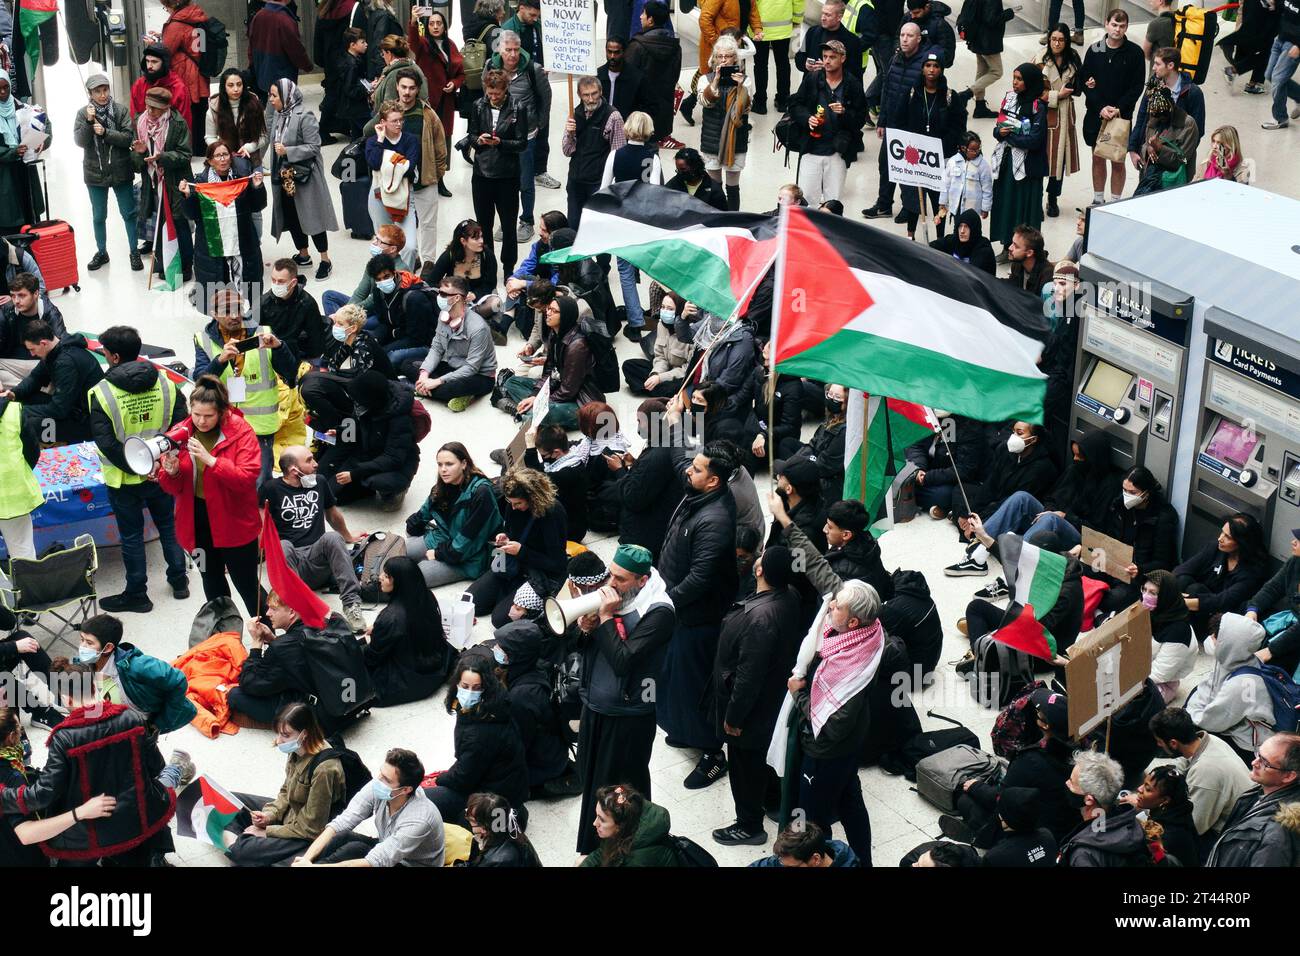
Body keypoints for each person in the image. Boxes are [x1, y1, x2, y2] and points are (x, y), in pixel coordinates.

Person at [0, 669, 187, 865]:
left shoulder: (63, 739)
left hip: (88, 831)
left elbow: (43, 795)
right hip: (135, 815)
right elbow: (156, 766)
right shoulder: (132, 718)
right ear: (93, 686)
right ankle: (177, 767)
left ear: (67, 699)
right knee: (162, 785)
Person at [567, 545, 676, 852]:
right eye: (611, 575)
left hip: (629, 715)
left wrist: (602, 619)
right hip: (596, 704)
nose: (611, 584)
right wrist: (586, 629)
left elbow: (624, 660)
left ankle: (632, 848)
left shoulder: (659, 612)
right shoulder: (618, 596)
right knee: (593, 782)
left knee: (621, 791)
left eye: (621, 579)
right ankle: (598, 843)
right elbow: (582, 647)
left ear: (642, 580)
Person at [85, 326, 190, 611]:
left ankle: (137, 594)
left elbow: (106, 442)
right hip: (163, 473)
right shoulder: (167, 383)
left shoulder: (102, 392)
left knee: (132, 537)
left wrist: (137, 466)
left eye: (105, 353)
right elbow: (182, 425)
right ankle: (180, 581)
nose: (104, 357)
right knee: (169, 526)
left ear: (115, 356)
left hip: (123, 480)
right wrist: (158, 462)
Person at [780, 580, 882, 865]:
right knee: (850, 800)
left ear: (852, 621)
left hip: (825, 752)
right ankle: (863, 860)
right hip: (849, 747)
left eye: (837, 606)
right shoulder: (870, 633)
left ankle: (822, 861)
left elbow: (832, 724)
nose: (830, 606)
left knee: (812, 819)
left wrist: (799, 693)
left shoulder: (848, 665)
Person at [658, 444, 740, 788]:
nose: (689, 471)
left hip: (698, 617)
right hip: (681, 612)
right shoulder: (700, 495)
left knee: (696, 684)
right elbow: (679, 461)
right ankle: (685, 729)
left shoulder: (715, 519)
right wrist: (669, 426)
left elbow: (700, 578)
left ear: (714, 481)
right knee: (676, 678)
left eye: (698, 469)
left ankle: (711, 752)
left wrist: (664, 602)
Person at [710, 546, 802, 846]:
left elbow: (748, 677)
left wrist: (734, 717)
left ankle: (749, 825)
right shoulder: (790, 596)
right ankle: (773, 800)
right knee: (766, 757)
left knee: (744, 767)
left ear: (760, 570)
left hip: (751, 710)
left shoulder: (760, 619)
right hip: (774, 700)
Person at [156, 375, 264, 615]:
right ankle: (224, 639)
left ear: (222, 412)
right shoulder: (180, 433)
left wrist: (211, 461)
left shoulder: (241, 431)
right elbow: (173, 488)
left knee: (246, 584)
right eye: (196, 415)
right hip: (197, 520)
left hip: (233, 521)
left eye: (208, 416)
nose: (201, 421)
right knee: (211, 580)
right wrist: (171, 473)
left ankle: (270, 637)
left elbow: (246, 479)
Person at [193, 289, 298, 484]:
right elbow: (200, 381)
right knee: (224, 479)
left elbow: (291, 372)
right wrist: (221, 360)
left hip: (259, 426)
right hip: (222, 424)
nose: (234, 316)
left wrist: (279, 348)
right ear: (214, 314)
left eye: (237, 309)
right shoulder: (203, 339)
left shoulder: (263, 333)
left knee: (259, 482)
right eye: (226, 311)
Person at [950, 687, 1079, 842]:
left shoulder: (1031, 759)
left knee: (965, 800)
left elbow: (1001, 797)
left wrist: (975, 786)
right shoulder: (1082, 748)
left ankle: (980, 836)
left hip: (1038, 829)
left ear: (1045, 725)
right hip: (1067, 820)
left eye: (1037, 713)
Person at [224, 703, 345, 866]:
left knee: (240, 851)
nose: (279, 740)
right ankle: (242, 842)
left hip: (305, 834)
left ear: (304, 734)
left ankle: (239, 844)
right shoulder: (297, 749)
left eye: (286, 735)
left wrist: (266, 831)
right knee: (229, 800)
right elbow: (286, 791)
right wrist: (269, 814)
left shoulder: (325, 769)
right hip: (290, 814)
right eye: (279, 734)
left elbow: (311, 828)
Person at [261, 445, 367, 633]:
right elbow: (261, 526)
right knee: (283, 545)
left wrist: (348, 536)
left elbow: (333, 515)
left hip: (318, 559)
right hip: (291, 565)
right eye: (309, 460)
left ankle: (352, 606)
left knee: (333, 538)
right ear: (294, 470)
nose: (316, 464)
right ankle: (298, 608)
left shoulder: (319, 482)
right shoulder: (271, 489)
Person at [425, 654, 530, 827]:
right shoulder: (491, 706)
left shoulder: (482, 731)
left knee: (426, 801)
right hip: (497, 786)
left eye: (476, 688)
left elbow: (463, 778)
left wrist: (439, 779)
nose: (469, 693)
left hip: (493, 799)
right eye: (465, 686)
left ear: (486, 687)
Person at [294, 748, 445, 866]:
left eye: (386, 779)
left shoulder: (419, 819)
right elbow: (343, 821)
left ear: (406, 789)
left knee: (354, 851)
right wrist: (306, 860)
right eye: (381, 773)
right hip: (386, 845)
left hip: (410, 863)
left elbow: (376, 861)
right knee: (343, 837)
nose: (377, 780)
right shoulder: (380, 787)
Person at [363, 71, 449, 265]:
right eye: (403, 87)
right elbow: (370, 146)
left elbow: (440, 145)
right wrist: (380, 135)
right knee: (386, 235)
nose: (407, 92)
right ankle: (398, 267)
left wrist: (437, 172)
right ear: (397, 88)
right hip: (387, 188)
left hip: (424, 179)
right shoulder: (386, 112)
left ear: (418, 89)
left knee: (427, 224)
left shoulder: (427, 114)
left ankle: (427, 262)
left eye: (412, 88)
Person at [1149, 706, 1256, 853]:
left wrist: (1152, 806)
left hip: (1234, 836)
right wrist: (1162, 776)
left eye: (1159, 741)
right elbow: (1185, 761)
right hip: (1244, 811)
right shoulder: (1209, 740)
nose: (1158, 745)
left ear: (1173, 743)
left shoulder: (1205, 774)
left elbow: (1193, 827)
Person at [468, 468, 568, 625]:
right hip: (513, 564)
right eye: (510, 502)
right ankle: (504, 595)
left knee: (499, 619)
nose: (513, 507)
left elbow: (558, 563)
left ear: (533, 498)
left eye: (518, 503)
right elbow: (512, 531)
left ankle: (510, 599)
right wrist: (505, 537)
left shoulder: (552, 513)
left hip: (539, 573)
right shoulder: (512, 506)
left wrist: (522, 551)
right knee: (471, 603)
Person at [494, 610, 578, 795]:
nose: (496, 650)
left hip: (543, 764)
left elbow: (518, 744)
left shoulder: (523, 696)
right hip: (552, 751)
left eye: (502, 648)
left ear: (516, 654)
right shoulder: (536, 665)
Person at [400, 441, 502, 591]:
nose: (443, 470)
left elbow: (467, 543)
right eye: (440, 464)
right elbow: (420, 516)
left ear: (463, 463)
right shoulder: (441, 487)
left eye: (449, 464)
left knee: (413, 577)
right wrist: (414, 526)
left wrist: (438, 553)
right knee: (395, 552)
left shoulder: (481, 493)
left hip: (467, 557)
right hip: (443, 538)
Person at [949, 421, 1057, 562]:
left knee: (997, 515)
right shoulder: (1005, 451)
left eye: (1019, 433)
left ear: (1034, 439)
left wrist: (979, 518)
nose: (1013, 437)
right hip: (996, 500)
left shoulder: (1042, 467)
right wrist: (971, 515)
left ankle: (973, 532)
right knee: (961, 489)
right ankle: (966, 522)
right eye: (1013, 432)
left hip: (1016, 512)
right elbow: (990, 485)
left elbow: (1010, 504)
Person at [180, 142, 269, 314]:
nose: (223, 159)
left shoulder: (241, 178)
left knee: (247, 290)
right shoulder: (200, 183)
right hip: (212, 247)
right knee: (218, 295)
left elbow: (258, 206)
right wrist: (187, 196)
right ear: (209, 160)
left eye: (226, 154)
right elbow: (192, 215)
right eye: (218, 156)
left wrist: (258, 188)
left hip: (242, 244)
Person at [318, 370, 420, 509]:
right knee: (332, 492)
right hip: (368, 450)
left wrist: (355, 473)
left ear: (371, 401)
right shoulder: (363, 404)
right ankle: (363, 485)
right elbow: (354, 426)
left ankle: (395, 492)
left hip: (396, 462)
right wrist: (340, 431)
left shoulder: (400, 418)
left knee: (374, 481)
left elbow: (393, 458)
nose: (355, 403)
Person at [1084, 466, 1180, 613]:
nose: (1126, 496)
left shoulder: (1163, 517)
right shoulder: (1118, 505)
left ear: (1146, 493)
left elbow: (1163, 562)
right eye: (1124, 490)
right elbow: (1106, 534)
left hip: (1135, 576)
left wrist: (1140, 570)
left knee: (1115, 599)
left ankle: (1095, 606)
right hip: (1111, 561)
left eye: (1132, 492)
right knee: (1079, 572)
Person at [485, 31, 550, 247]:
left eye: (515, 49)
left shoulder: (533, 69)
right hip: (500, 137)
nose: (512, 54)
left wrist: (539, 125)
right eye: (508, 50)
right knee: (504, 179)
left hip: (526, 136)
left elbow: (545, 98)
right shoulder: (490, 67)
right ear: (500, 50)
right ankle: (507, 220)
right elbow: (486, 97)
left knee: (525, 180)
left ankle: (527, 220)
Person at [500, 297, 605, 429]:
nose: (548, 313)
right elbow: (549, 371)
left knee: (541, 413)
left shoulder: (577, 346)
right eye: (548, 308)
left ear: (565, 315)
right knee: (512, 382)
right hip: (559, 388)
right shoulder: (554, 334)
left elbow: (568, 390)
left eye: (554, 311)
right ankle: (528, 412)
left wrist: (538, 401)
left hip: (582, 401)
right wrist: (534, 395)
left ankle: (525, 413)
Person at [1186, 613, 1278, 764]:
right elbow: (1206, 688)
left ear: (1229, 643)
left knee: (1191, 735)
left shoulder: (1242, 683)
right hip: (1230, 720)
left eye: (1215, 636)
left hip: (1247, 746)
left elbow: (1212, 721)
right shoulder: (1234, 660)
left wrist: (1191, 711)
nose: (1210, 639)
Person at [268, 79, 337, 280]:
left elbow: (315, 146)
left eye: (274, 95)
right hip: (285, 177)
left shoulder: (304, 115)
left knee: (312, 218)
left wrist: (288, 151)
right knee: (292, 216)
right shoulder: (279, 115)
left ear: (286, 96)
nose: (271, 100)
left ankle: (325, 259)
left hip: (305, 178)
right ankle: (304, 254)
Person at [75, 73, 142, 273]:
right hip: (95, 172)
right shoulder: (82, 113)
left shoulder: (120, 111)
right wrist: (89, 123)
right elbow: (80, 141)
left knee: (129, 213)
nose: (103, 95)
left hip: (121, 169)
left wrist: (105, 132)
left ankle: (134, 251)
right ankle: (102, 251)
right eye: (98, 91)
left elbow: (128, 138)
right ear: (90, 93)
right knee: (98, 216)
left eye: (105, 90)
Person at [788, 39, 868, 207]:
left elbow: (861, 117)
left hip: (837, 152)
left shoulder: (852, 84)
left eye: (832, 57)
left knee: (833, 203)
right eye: (825, 56)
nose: (827, 61)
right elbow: (795, 104)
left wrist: (845, 113)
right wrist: (806, 118)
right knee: (806, 201)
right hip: (811, 149)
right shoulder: (812, 79)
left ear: (843, 58)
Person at [1077, 9, 1145, 204]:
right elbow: (1085, 81)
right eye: (1114, 25)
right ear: (1106, 24)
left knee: (1117, 160)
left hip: (1120, 118)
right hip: (1096, 115)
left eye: (1122, 26)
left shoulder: (1135, 53)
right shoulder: (1094, 50)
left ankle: (1115, 201)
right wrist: (1100, 107)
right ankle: (1098, 199)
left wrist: (1118, 108)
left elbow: (1136, 87)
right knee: (1097, 157)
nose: (1117, 29)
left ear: (1127, 27)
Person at [465, 70, 528, 277]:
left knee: (509, 226)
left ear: (505, 90)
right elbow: (471, 134)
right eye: (489, 93)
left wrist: (501, 143)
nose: (492, 97)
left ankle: (509, 267)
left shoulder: (518, 108)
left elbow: (522, 143)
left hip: (507, 177)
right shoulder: (478, 105)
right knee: (483, 226)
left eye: (497, 94)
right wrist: (479, 141)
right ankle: (487, 266)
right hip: (482, 174)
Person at [364, 556, 450, 705]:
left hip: (407, 680)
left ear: (398, 581)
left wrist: (371, 639)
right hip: (434, 669)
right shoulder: (426, 596)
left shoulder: (390, 617)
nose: (380, 578)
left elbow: (372, 657)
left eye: (386, 575)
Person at [862, 22, 926, 221]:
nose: (905, 39)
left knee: (909, 167)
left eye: (909, 35)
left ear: (918, 39)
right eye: (902, 35)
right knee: (886, 164)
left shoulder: (925, 64)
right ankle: (883, 205)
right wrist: (882, 120)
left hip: (912, 127)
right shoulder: (895, 59)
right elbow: (887, 90)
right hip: (892, 123)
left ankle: (910, 207)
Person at [1207, 732, 1300, 866]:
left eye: (1265, 763)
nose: (1254, 762)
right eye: (1258, 754)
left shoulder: (1276, 836)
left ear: (1289, 776)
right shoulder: (1254, 795)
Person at [898, 52, 964, 239]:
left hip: (939, 159)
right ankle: (910, 236)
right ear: (922, 68)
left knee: (938, 201)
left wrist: (940, 146)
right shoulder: (911, 93)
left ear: (941, 69)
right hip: (914, 158)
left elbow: (958, 126)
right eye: (928, 65)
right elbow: (900, 120)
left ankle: (940, 239)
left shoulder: (951, 96)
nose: (931, 69)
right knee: (913, 199)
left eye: (935, 66)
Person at [132, 86, 195, 284]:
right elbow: (135, 161)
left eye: (156, 109)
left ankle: (185, 265)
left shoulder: (177, 123)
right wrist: (141, 152)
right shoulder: (140, 122)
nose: (150, 112)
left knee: (179, 222)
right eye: (148, 107)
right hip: (153, 182)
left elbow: (185, 155)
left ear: (166, 107)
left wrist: (162, 157)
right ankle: (163, 264)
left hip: (175, 181)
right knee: (159, 223)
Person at [1058, 750, 1165, 865]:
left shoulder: (1082, 856)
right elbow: (1163, 860)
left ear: (1089, 800)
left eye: (1072, 782)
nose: (1067, 783)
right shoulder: (1138, 827)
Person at [4, 323, 104, 446]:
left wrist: (19, 411)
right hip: (71, 407)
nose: (32, 354)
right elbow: (35, 378)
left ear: (43, 343)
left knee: (30, 424)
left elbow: (59, 410)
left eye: (32, 349)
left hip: (88, 423)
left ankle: (61, 441)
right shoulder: (55, 351)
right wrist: (14, 394)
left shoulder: (66, 363)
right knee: (25, 397)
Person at [299, 304, 394, 431]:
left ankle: (340, 429)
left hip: (379, 395)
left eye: (339, 324)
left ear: (353, 328)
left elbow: (356, 380)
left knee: (313, 385)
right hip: (361, 387)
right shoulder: (350, 341)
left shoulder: (363, 346)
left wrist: (327, 377)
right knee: (310, 378)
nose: (335, 327)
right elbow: (333, 364)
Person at [1176, 514, 1270, 639]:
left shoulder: (1253, 570)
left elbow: (1223, 601)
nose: (1220, 538)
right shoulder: (1215, 548)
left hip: (1224, 618)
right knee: (1183, 580)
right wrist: (1172, 593)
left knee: (1195, 590)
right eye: (1222, 533)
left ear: (1242, 542)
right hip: (1202, 604)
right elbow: (1183, 569)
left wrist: (1181, 603)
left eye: (1227, 537)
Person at [228, 592, 315, 724]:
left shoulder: (280, 648)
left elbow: (249, 684)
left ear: (291, 612)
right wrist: (273, 639)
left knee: (234, 695)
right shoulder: (316, 625)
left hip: (304, 709)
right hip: (326, 694)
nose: (267, 613)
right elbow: (293, 656)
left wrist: (256, 644)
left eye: (273, 609)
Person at [989, 65, 1049, 257]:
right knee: (1007, 205)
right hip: (1007, 164)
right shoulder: (1009, 99)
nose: (1015, 82)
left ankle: (1026, 253)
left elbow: (1035, 140)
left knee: (1024, 210)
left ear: (1030, 82)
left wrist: (1009, 138)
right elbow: (997, 129)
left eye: (1019, 79)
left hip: (1028, 168)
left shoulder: (1037, 107)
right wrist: (1001, 133)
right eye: (1014, 77)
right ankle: (1007, 246)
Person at [681, 0, 763, 126]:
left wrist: (757, 29)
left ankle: (735, 113)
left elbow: (752, 11)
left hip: (735, 43)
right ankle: (696, 106)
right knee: (713, 76)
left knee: (734, 76)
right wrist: (718, 43)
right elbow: (704, 18)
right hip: (721, 46)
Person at [408, 9, 462, 197]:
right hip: (428, 101)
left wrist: (454, 84)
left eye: (439, 23)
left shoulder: (451, 45)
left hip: (445, 102)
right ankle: (421, 178)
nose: (436, 26)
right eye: (431, 23)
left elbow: (460, 73)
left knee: (443, 141)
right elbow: (413, 42)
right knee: (425, 139)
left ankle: (440, 179)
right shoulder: (423, 44)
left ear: (445, 26)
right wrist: (414, 22)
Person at [696, 35, 752, 213]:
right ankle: (716, 219)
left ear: (735, 58)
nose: (723, 60)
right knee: (714, 186)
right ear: (714, 58)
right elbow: (705, 102)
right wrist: (716, 81)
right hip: (711, 140)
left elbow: (746, 109)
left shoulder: (746, 81)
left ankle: (734, 219)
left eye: (727, 56)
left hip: (736, 141)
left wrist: (740, 87)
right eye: (719, 56)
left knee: (733, 187)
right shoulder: (705, 79)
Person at [563, 76, 628, 227]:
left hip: (598, 183)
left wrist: (611, 185)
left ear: (601, 92)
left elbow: (618, 155)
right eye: (586, 95)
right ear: (579, 95)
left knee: (599, 229)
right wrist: (570, 133)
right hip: (575, 180)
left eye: (594, 93)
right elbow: (567, 151)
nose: (591, 99)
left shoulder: (613, 116)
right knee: (574, 227)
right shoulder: (575, 114)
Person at [1129, 46, 1206, 167]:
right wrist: (1133, 149)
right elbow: (1142, 117)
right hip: (1150, 159)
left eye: (1157, 64)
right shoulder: (1154, 85)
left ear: (1170, 66)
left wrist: (1175, 156)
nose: (1153, 68)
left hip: (1177, 165)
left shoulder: (1193, 93)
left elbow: (1197, 131)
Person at [364, 100, 422, 256]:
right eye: (394, 121)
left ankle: (405, 278)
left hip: (403, 195)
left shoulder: (411, 140)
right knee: (382, 245)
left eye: (401, 120)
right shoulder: (373, 142)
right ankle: (386, 275)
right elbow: (374, 164)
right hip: (378, 196)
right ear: (383, 122)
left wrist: (388, 164)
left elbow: (410, 169)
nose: (399, 124)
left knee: (409, 247)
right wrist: (381, 140)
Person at [905, 411, 987, 519]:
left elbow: (963, 471)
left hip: (952, 481)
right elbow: (916, 446)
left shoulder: (968, 427)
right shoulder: (927, 416)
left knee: (944, 495)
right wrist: (919, 468)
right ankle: (913, 495)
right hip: (926, 473)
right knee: (900, 477)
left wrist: (928, 477)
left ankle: (912, 497)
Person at [1037, 24, 1082, 218]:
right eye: (1053, 39)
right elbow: (1032, 90)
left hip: (1064, 115)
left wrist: (1085, 84)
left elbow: (1078, 88)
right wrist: (1056, 94)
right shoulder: (1039, 60)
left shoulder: (1073, 59)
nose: (1056, 43)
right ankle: (1036, 199)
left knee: (1059, 160)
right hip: (1043, 114)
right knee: (1040, 158)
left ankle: (1053, 198)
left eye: (1061, 40)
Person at [579, 783, 679, 866]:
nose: (595, 823)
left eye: (602, 820)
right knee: (581, 861)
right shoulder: (629, 820)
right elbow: (602, 853)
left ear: (619, 826)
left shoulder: (637, 860)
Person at [625, 1, 683, 143]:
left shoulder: (637, 47)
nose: (640, 17)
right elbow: (675, 75)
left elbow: (628, 78)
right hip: (662, 112)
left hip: (640, 114)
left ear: (650, 20)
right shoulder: (675, 47)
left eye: (643, 13)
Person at [158, 0, 212, 152]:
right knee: (200, 111)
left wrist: (153, 45)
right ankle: (201, 148)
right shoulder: (196, 16)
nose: (166, 9)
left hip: (186, 74)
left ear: (173, 5)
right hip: (200, 70)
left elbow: (165, 52)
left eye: (165, 6)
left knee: (188, 112)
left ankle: (190, 148)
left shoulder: (176, 24)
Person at [1130, 80, 1200, 196]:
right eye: (1155, 114)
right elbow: (1144, 146)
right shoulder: (1154, 120)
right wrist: (1148, 149)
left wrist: (1160, 149)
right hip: (1150, 179)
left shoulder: (1188, 124)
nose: (1158, 117)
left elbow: (1183, 160)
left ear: (1171, 106)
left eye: (1161, 114)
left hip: (1173, 183)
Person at [1245, 530, 1300, 676]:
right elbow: (1273, 588)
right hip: (1292, 623)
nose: (1293, 542)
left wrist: (1271, 650)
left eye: (1299, 540)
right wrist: (1252, 609)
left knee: (1272, 662)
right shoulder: (1295, 562)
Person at [1140, 570, 1198, 703]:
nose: (1146, 596)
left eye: (1153, 593)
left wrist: (1127, 680)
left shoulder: (1178, 631)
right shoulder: (1149, 612)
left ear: (1166, 596)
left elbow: (1160, 673)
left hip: (1159, 684)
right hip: (1139, 668)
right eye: (1144, 590)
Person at [0, 391, 40, 564]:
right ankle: (27, 590)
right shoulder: (14, 411)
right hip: (12, 494)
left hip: (11, 495)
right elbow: (32, 450)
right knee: (23, 552)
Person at [261, 258, 328, 361]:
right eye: (273, 280)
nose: (276, 284)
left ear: (293, 283)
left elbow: (316, 341)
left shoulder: (307, 303)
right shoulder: (263, 302)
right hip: (269, 350)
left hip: (296, 353)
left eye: (281, 281)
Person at [247, 0, 314, 100]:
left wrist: (253, 65)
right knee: (283, 109)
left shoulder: (259, 15)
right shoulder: (285, 20)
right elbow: (296, 49)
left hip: (263, 73)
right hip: (282, 76)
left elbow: (251, 44)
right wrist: (307, 66)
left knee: (272, 106)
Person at [958, 0, 1014, 118]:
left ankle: (980, 106)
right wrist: (1009, 13)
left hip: (976, 38)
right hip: (988, 41)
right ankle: (967, 94)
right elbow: (991, 20)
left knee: (982, 71)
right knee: (997, 72)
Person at [795, 0, 865, 83]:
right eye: (823, 13)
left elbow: (855, 76)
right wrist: (805, 64)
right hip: (811, 90)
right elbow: (799, 57)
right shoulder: (812, 32)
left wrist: (829, 69)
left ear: (839, 17)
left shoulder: (852, 41)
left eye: (828, 15)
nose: (823, 18)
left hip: (837, 93)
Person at [464, 791, 543, 865]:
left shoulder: (498, 860)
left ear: (484, 828)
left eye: (471, 819)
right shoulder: (510, 829)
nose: (467, 815)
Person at [1219, 0, 1280, 96]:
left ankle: (1254, 83)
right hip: (1264, 10)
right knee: (1267, 49)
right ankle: (1234, 71)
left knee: (1264, 45)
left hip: (1260, 9)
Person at [322, 27, 372, 139]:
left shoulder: (350, 59)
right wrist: (368, 88)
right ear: (352, 45)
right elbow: (350, 88)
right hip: (355, 107)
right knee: (368, 132)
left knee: (357, 136)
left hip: (351, 107)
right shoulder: (351, 65)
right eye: (363, 42)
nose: (366, 44)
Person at [936, 132, 993, 230]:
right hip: (956, 207)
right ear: (963, 148)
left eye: (978, 149)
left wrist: (985, 208)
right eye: (972, 150)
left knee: (972, 231)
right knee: (957, 230)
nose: (976, 152)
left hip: (973, 209)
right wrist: (942, 202)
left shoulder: (983, 166)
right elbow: (946, 184)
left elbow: (987, 189)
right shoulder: (952, 162)